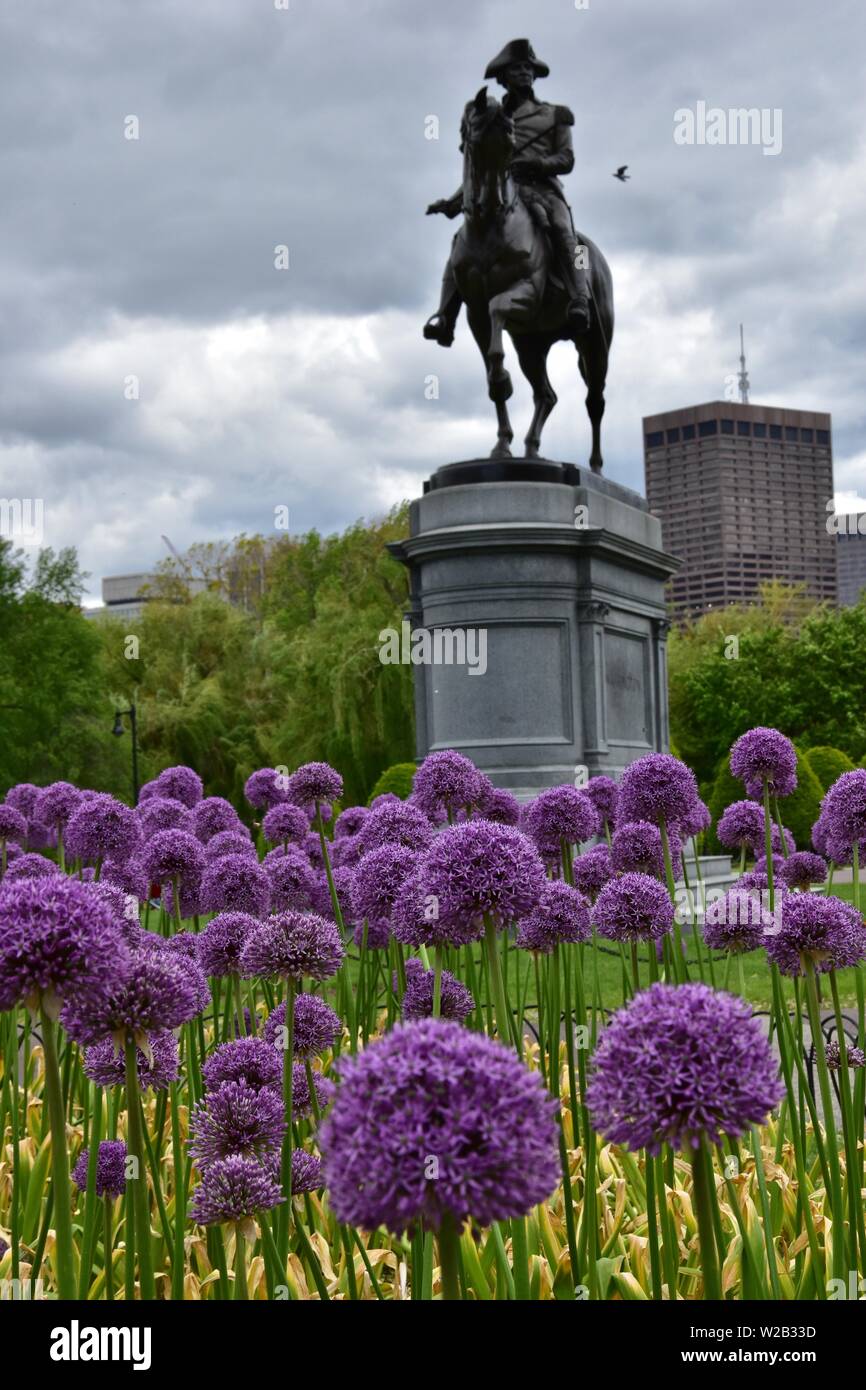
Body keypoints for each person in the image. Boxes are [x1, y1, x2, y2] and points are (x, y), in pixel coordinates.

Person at [424, 38, 591, 347]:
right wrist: (452, 201)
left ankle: (580, 297)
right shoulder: (490, 115)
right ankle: (445, 316)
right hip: (499, 188)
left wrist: (537, 163)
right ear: (503, 77)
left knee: (568, 234)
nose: (525, 73)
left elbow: (566, 160)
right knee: (461, 240)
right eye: (517, 69)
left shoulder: (555, 114)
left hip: (543, 190)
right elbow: (481, 162)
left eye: (529, 68)